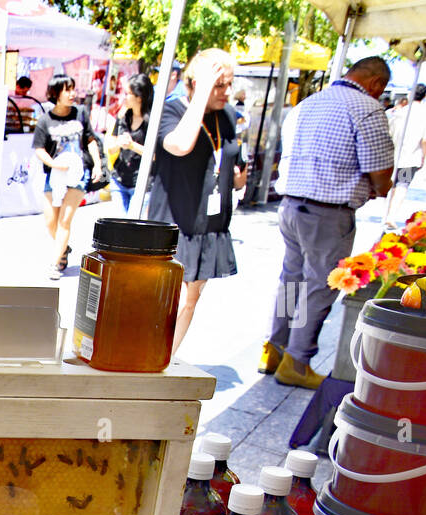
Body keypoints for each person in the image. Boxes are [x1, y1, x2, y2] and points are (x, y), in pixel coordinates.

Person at [261, 56, 392, 389]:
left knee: (292, 280)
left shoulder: (310, 102)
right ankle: (297, 361)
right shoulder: (367, 108)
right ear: (376, 83)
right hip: (327, 213)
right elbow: (381, 175)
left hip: (291, 206)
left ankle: (274, 349)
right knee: (319, 287)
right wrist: (378, 187)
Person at [147, 50, 247, 354]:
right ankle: (147, 354)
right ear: (194, 83)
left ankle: (165, 357)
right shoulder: (172, 111)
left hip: (209, 223)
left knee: (191, 298)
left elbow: (233, 166)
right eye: (219, 86)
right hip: (174, 223)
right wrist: (201, 95)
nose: (226, 93)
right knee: (162, 299)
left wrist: (240, 176)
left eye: (228, 85)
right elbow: (180, 145)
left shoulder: (228, 116)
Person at [33, 74, 101, 281]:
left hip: (78, 173)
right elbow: (39, 148)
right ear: (56, 93)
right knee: (50, 221)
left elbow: (90, 140)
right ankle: (63, 248)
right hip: (54, 175)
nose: (72, 94)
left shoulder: (80, 113)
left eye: (73, 89)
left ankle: (55, 263)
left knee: (65, 220)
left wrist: (97, 164)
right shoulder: (45, 120)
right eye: (67, 89)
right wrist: (54, 164)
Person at [385, 83, 426, 226]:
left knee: (392, 183)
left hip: (392, 156)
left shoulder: (400, 112)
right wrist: (423, 156)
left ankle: (387, 212)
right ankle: (391, 215)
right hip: (411, 158)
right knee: (402, 185)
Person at [107, 72, 152, 213]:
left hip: (142, 183)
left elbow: (156, 155)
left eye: (127, 93)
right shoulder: (123, 118)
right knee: (118, 226)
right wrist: (119, 144)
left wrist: (133, 146)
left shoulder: (152, 122)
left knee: (132, 229)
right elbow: (110, 148)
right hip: (119, 179)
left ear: (139, 97)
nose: (123, 97)